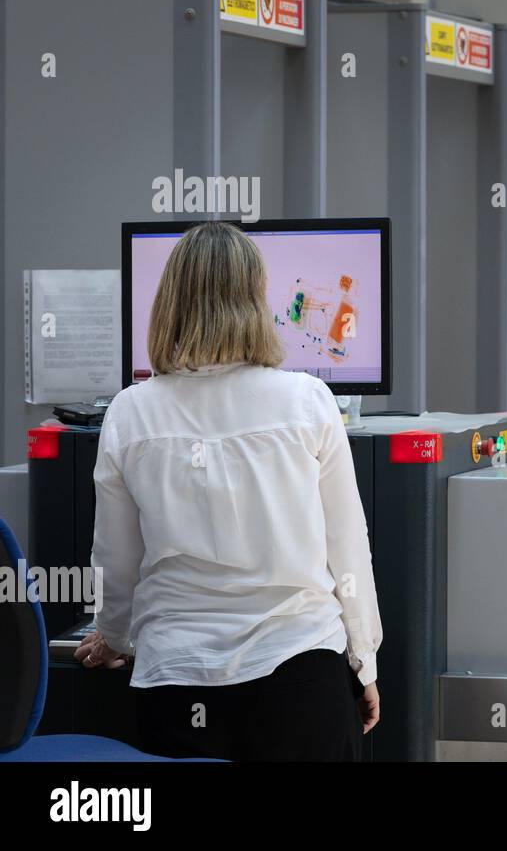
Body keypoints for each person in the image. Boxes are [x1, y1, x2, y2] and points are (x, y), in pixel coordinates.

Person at [75, 221, 383, 761]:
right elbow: (348, 548)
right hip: (301, 673)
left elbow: (116, 561)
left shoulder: (130, 413)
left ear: (169, 302)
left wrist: (113, 638)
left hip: (178, 681)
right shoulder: (310, 402)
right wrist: (363, 662)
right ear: (257, 300)